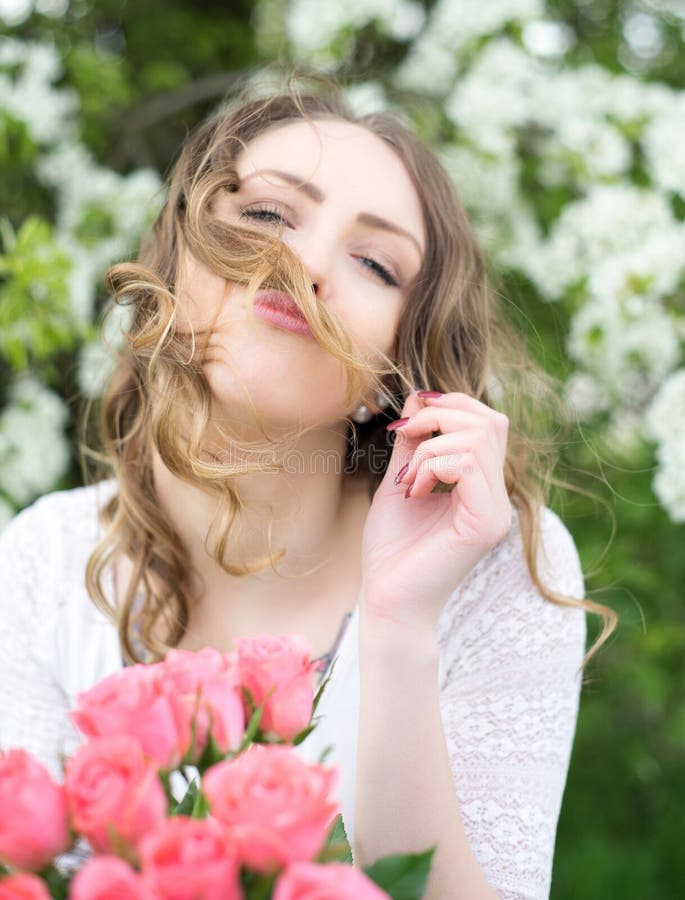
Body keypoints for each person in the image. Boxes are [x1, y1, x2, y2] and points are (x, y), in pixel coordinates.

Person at [0, 80, 615, 899]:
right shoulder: (42, 560)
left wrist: (399, 626)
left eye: (374, 262)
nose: (308, 263)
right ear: (175, 265)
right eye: (266, 215)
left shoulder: (489, 566)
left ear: (391, 368)